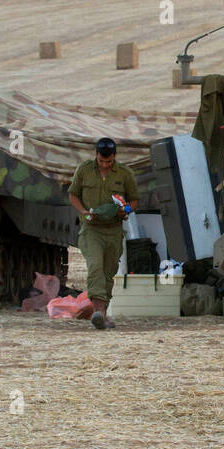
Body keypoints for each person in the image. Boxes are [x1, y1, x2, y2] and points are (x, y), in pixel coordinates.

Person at [68, 137, 138, 330]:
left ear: (114, 157)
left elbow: (134, 200)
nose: (105, 165)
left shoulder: (125, 174)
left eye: (108, 161)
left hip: (114, 230)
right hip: (92, 230)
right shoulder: (84, 170)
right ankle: (97, 311)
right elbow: (73, 195)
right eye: (101, 161)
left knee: (108, 272)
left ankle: (103, 314)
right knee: (96, 266)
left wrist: (127, 210)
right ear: (96, 156)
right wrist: (83, 211)